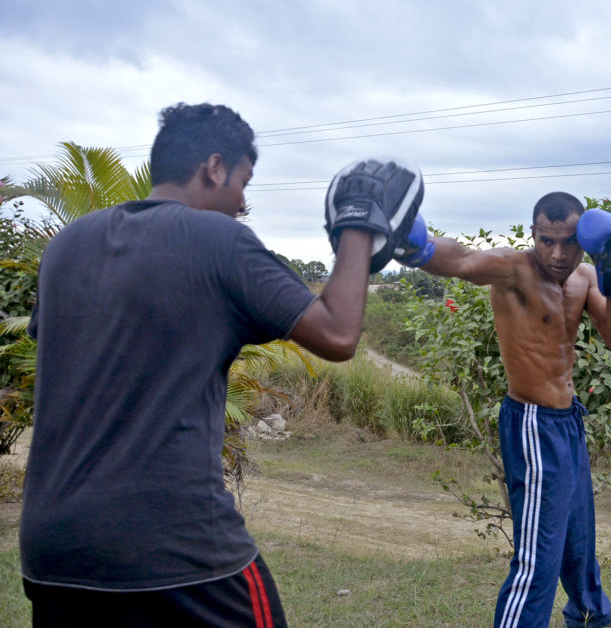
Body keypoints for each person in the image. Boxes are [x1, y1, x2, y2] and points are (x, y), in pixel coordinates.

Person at [19, 102, 422, 627]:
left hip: (53, 550)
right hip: (175, 546)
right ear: (213, 167)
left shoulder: (66, 246)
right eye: (243, 181)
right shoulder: (218, 240)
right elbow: (339, 334)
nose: (243, 202)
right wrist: (358, 225)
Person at [397, 192, 611, 628]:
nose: (557, 254)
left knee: (578, 534)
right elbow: (463, 261)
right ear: (533, 234)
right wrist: (418, 245)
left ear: (585, 242)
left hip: (568, 422)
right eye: (547, 240)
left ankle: (593, 616)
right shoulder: (513, 269)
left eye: (568, 242)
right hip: (531, 424)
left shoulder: (587, 278)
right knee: (538, 555)